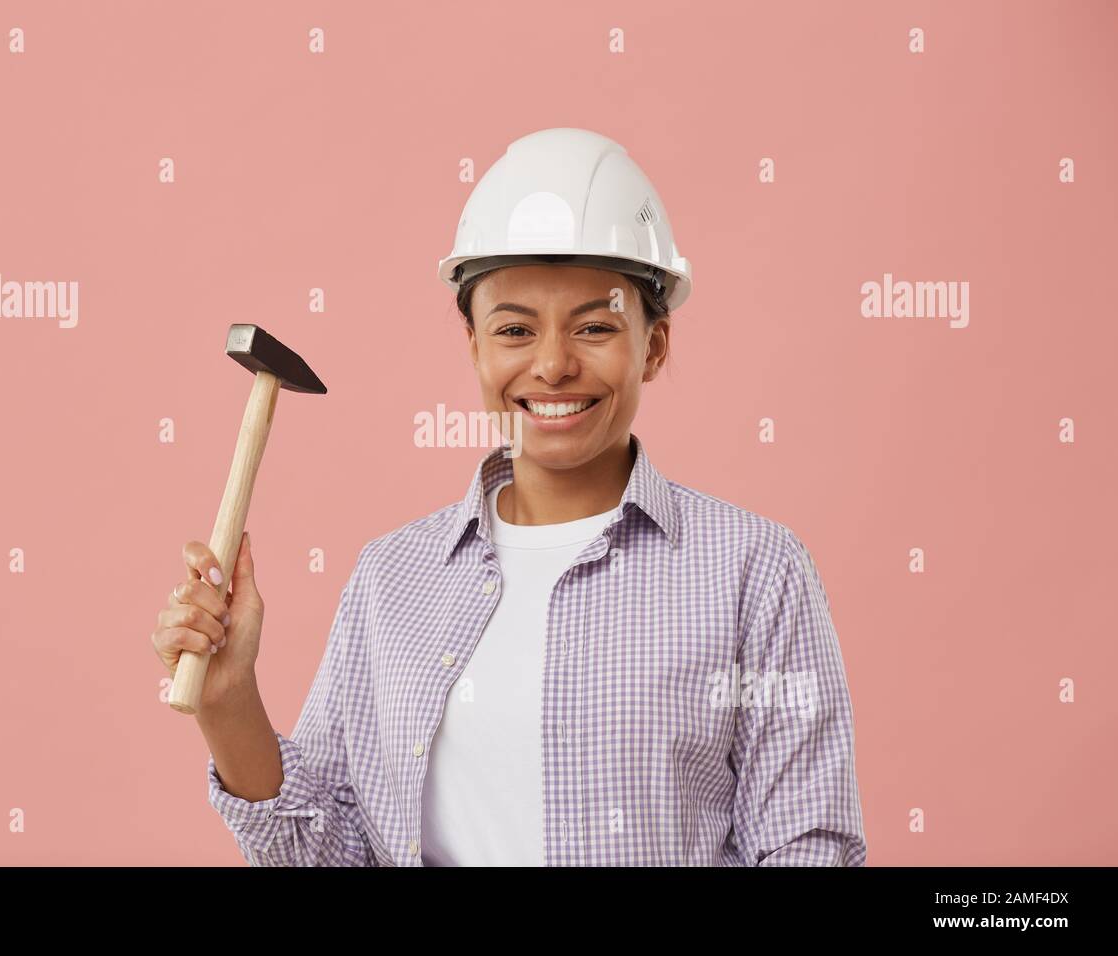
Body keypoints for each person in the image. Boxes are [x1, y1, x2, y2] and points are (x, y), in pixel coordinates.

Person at [151, 128, 867, 866]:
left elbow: (807, 848)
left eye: (595, 326)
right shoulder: (391, 581)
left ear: (653, 346)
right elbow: (335, 854)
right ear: (475, 347)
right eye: (514, 329)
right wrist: (229, 706)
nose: (552, 365)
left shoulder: (756, 572)